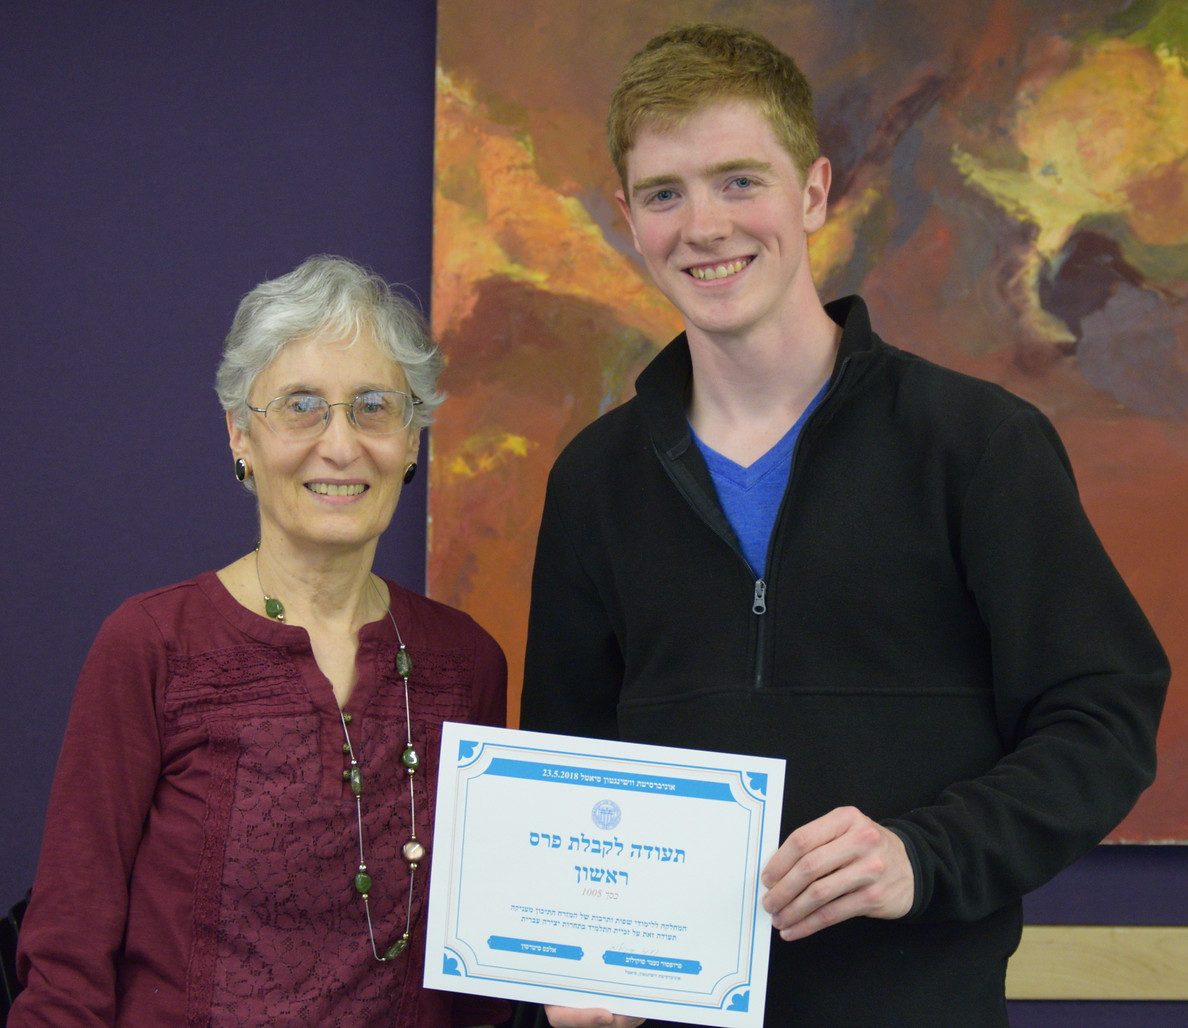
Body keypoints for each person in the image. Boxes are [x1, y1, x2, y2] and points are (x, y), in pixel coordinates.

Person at [519, 24, 1169, 1028]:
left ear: (814, 191)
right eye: (665, 192)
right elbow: (563, 770)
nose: (703, 225)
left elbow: (1102, 718)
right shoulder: (594, 481)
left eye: (741, 180)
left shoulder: (977, 444)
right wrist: (559, 976)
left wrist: (926, 853)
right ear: (628, 218)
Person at [12, 256, 510, 1026]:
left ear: (413, 440)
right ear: (240, 434)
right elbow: (67, 955)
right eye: (301, 406)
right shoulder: (153, 646)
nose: (340, 445)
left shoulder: (466, 663)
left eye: (374, 406)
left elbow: (481, 955)